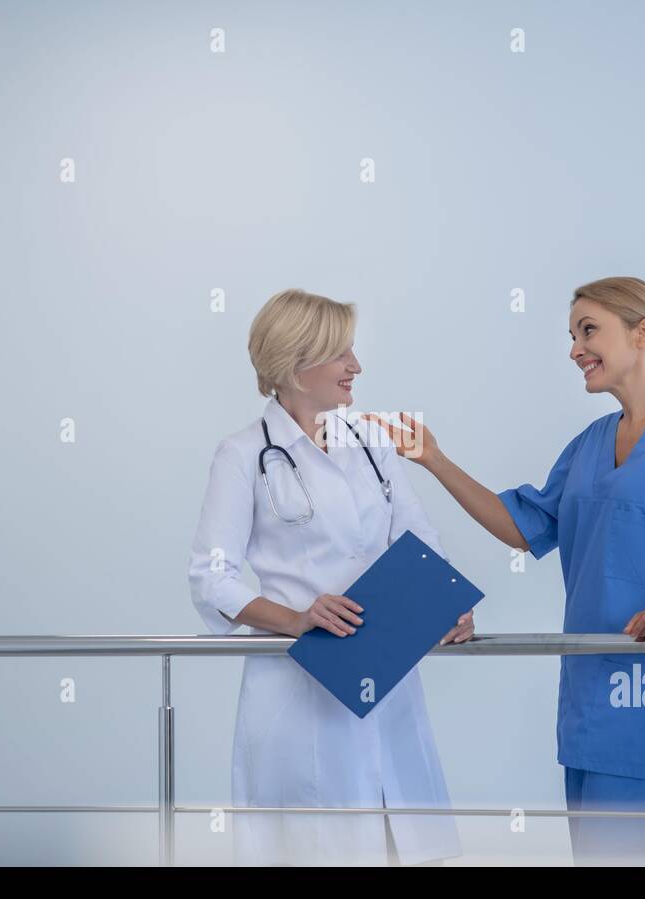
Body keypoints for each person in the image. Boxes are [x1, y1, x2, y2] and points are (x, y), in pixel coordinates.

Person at [366, 276, 645, 865]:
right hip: (586, 696)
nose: (575, 349)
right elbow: (520, 526)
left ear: (642, 332)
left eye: (588, 330)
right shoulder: (591, 443)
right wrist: (434, 459)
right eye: (573, 334)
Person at [187, 288, 472, 867]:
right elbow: (211, 577)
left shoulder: (371, 443)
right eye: (341, 354)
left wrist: (445, 604)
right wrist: (296, 618)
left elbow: (420, 544)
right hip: (299, 697)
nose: (356, 367)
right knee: (319, 848)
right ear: (295, 364)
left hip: (387, 683)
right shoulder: (243, 454)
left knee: (403, 844)